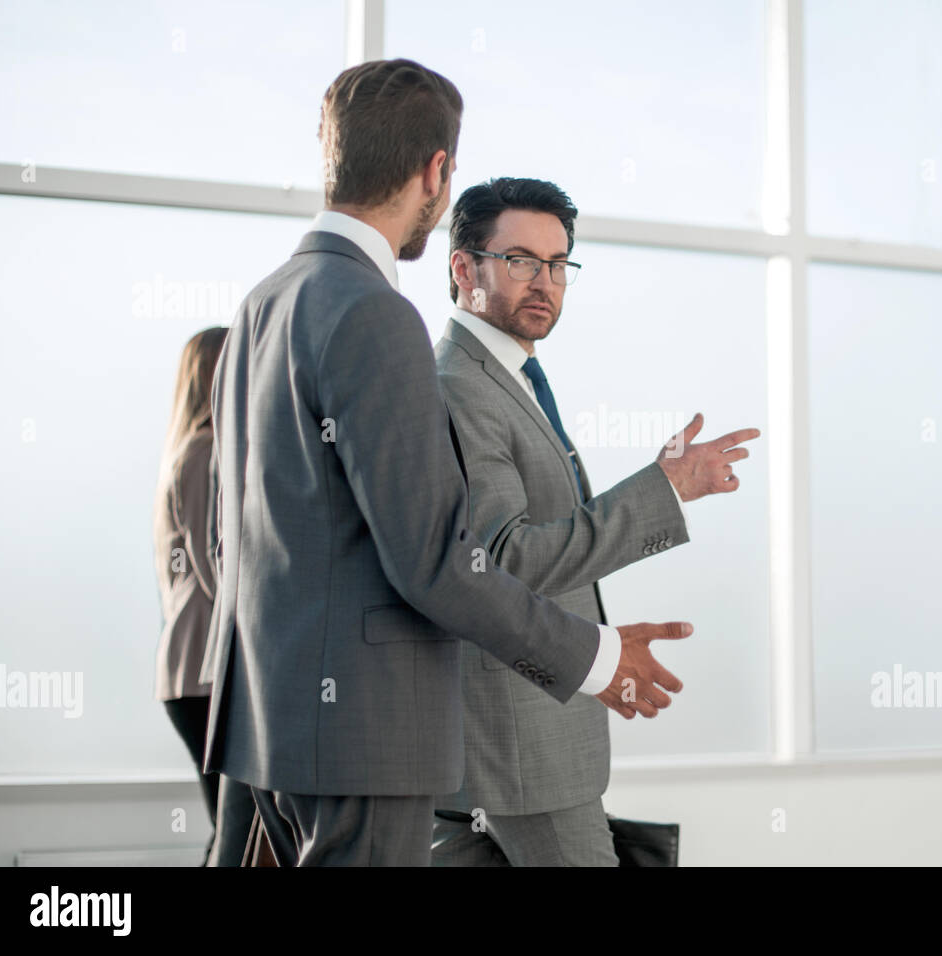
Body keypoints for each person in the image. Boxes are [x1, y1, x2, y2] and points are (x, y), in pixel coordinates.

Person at [201, 58, 691, 867]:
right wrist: (595, 656)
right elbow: (439, 560)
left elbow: (234, 538)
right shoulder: (375, 314)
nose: (545, 279)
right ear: (436, 172)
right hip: (362, 737)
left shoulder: (263, 302)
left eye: (557, 263)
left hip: (266, 722)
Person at [431, 178, 760, 865]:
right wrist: (663, 491)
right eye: (522, 260)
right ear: (464, 268)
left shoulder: (505, 374)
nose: (545, 282)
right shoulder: (462, 386)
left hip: (509, 741)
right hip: (520, 748)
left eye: (558, 265)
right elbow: (508, 559)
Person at [152, 326, 226, 866]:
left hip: (191, 676)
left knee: (233, 825)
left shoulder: (188, 450)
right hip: (202, 675)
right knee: (236, 826)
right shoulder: (204, 452)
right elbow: (214, 569)